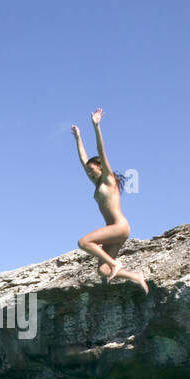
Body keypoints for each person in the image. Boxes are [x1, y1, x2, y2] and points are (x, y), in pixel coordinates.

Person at [72, 109, 148, 289]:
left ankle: (116, 264)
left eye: (93, 171)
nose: (90, 174)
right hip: (113, 231)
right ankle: (136, 276)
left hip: (119, 227)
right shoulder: (98, 184)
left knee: (84, 242)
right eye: (88, 172)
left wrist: (96, 126)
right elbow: (84, 160)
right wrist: (78, 139)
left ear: (101, 168)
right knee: (103, 271)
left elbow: (101, 150)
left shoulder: (108, 180)